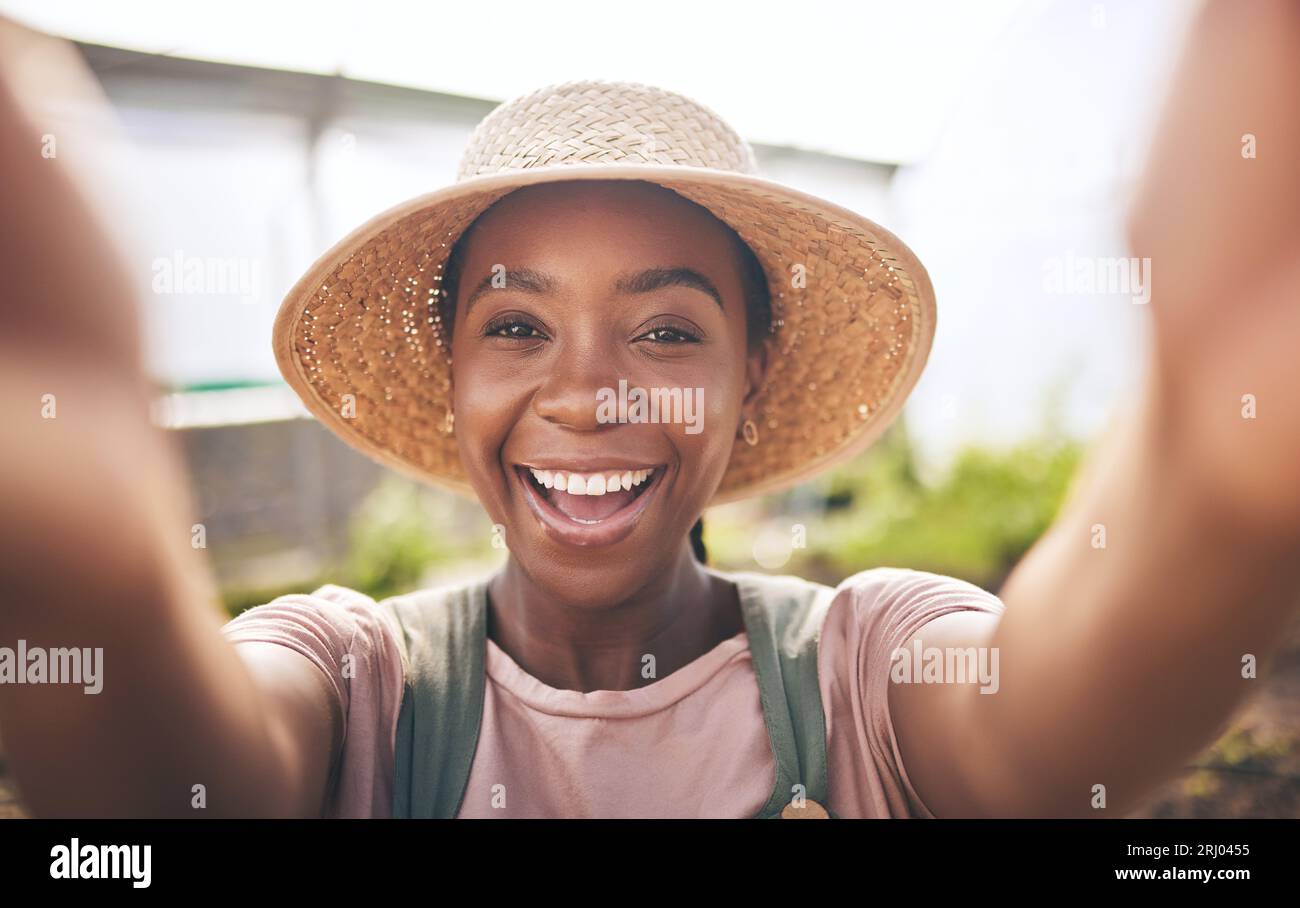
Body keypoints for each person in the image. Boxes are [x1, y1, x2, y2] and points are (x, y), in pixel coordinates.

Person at [2, 0, 1298, 819]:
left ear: (753, 387)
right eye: (515, 327)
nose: (587, 389)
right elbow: (184, 785)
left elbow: (1037, 732)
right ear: (453, 383)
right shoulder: (362, 688)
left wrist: (1214, 487)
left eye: (668, 328)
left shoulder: (861, 672)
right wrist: (99, 582)